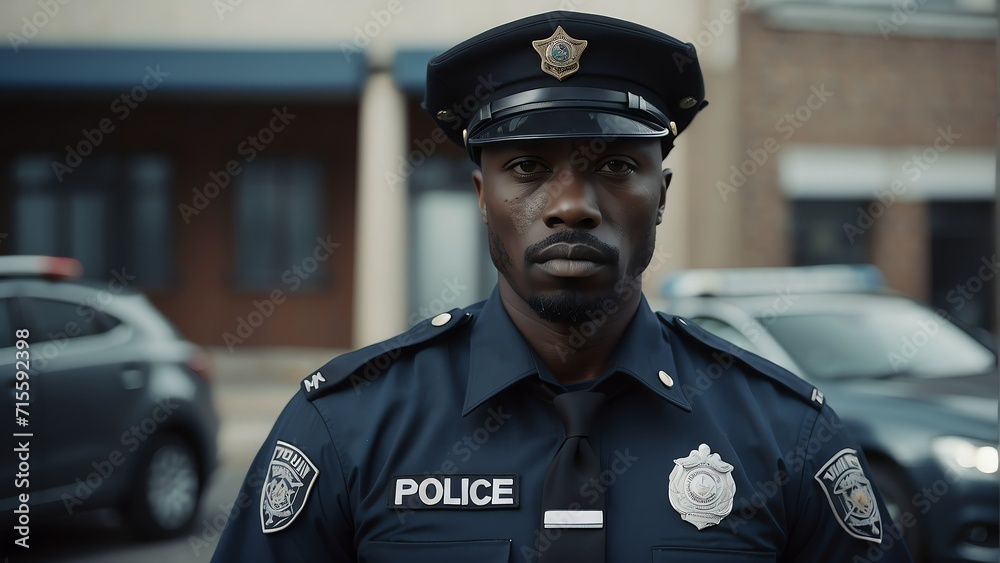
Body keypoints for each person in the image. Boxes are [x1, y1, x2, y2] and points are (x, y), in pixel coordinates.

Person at [212, 11, 911, 562]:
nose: (571, 203)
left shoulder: (785, 434)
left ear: (661, 194)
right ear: (481, 195)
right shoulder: (348, 428)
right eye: (527, 165)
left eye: (613, 165)